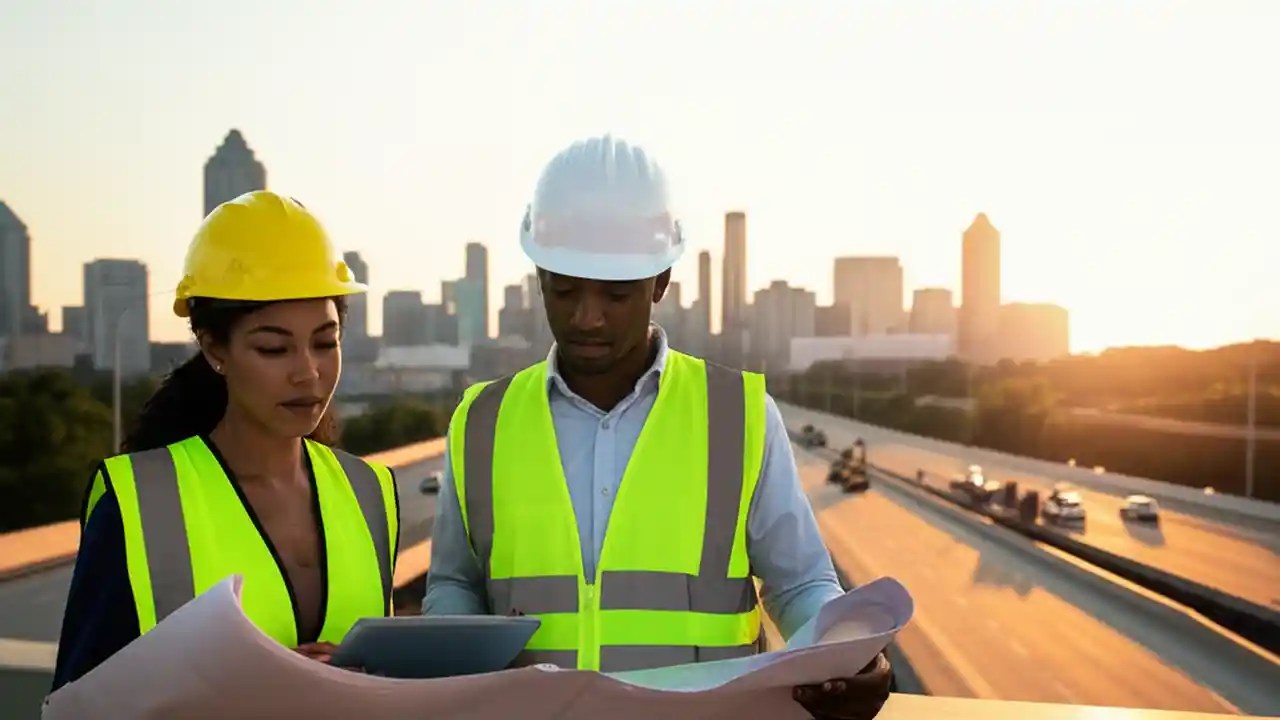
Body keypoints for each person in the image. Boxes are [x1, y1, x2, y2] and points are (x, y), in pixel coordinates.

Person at [423, 136, 891, 719]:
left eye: (615, 295)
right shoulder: (482, 421)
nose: (585, 317)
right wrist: (449, 657)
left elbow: (799, 586)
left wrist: (843, 652)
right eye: (563, 290)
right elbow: (454, 584)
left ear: (661, 283)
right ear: (538, 276)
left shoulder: (738, 414)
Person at [51, 191, 400, 691]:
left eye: (326, 342)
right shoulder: (138, 502)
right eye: (274, 348)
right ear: (214, 347)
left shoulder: (371, 493)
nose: (309, 372)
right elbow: (80, 706)